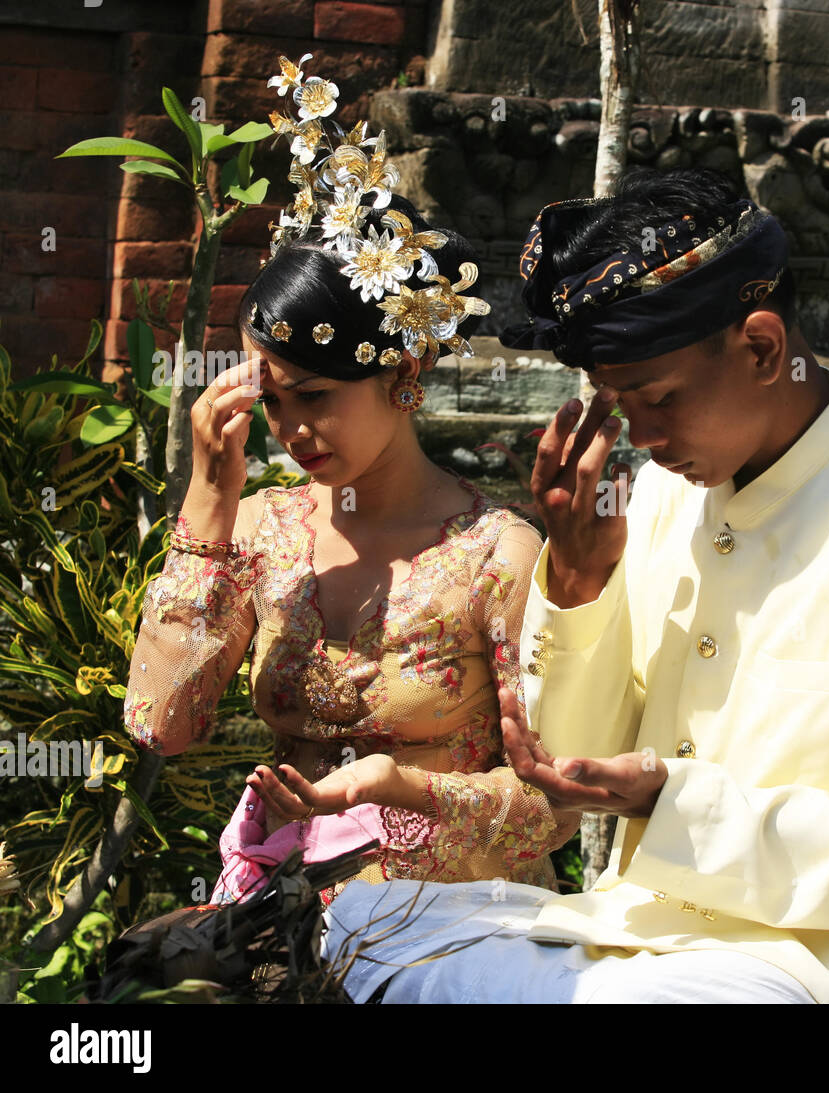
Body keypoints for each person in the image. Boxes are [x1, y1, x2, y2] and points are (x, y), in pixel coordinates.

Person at [320, 167, 829, 1004]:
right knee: (358, 924)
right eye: (619, 403)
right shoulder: (662, 500)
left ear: (761, 348)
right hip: (633, 939)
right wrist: (578, 579)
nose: (643, 435)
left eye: (657, 398)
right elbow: (572, 766)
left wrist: (676, 803)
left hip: (823, 972)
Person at [121, 55, 579, 911]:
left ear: (403, 373)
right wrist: (207, 505)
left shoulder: (497, 555)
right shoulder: (260, 531)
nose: (292, 430)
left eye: (316, 397)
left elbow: (556, 805)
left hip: (458, 935)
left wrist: (398, 791)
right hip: (285, 927)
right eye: (273, 400)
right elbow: (161, 724)